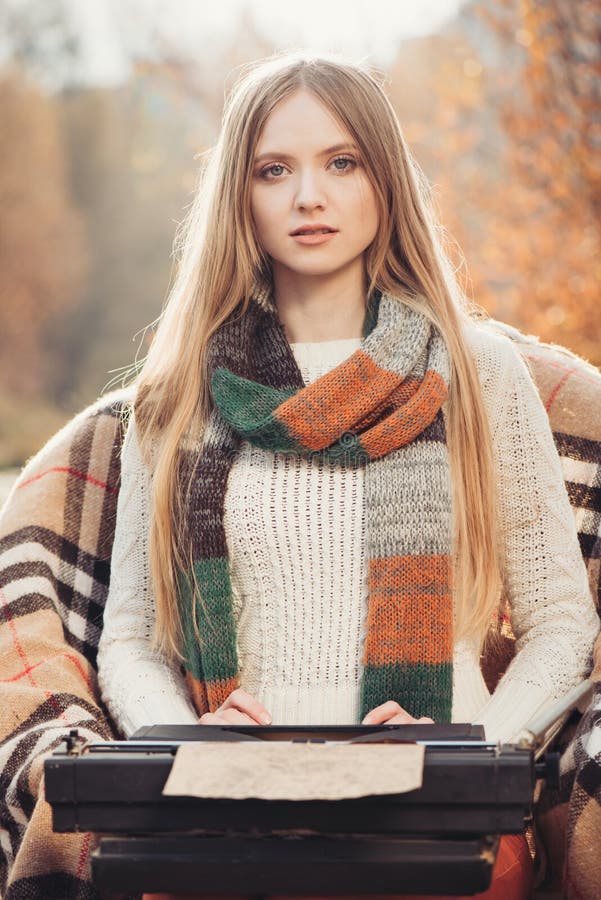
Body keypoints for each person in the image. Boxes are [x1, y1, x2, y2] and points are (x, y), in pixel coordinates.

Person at [96, 51, 599, 899]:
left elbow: (560, 625)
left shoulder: (476, 371)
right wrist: (185, 744)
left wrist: (462, 749)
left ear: (383, 177)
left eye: (340, 162)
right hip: (227, 831)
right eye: (273, 169)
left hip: (439, 830)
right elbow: (132, 640)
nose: (307, 197)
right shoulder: (178, 397)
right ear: (239, 196)